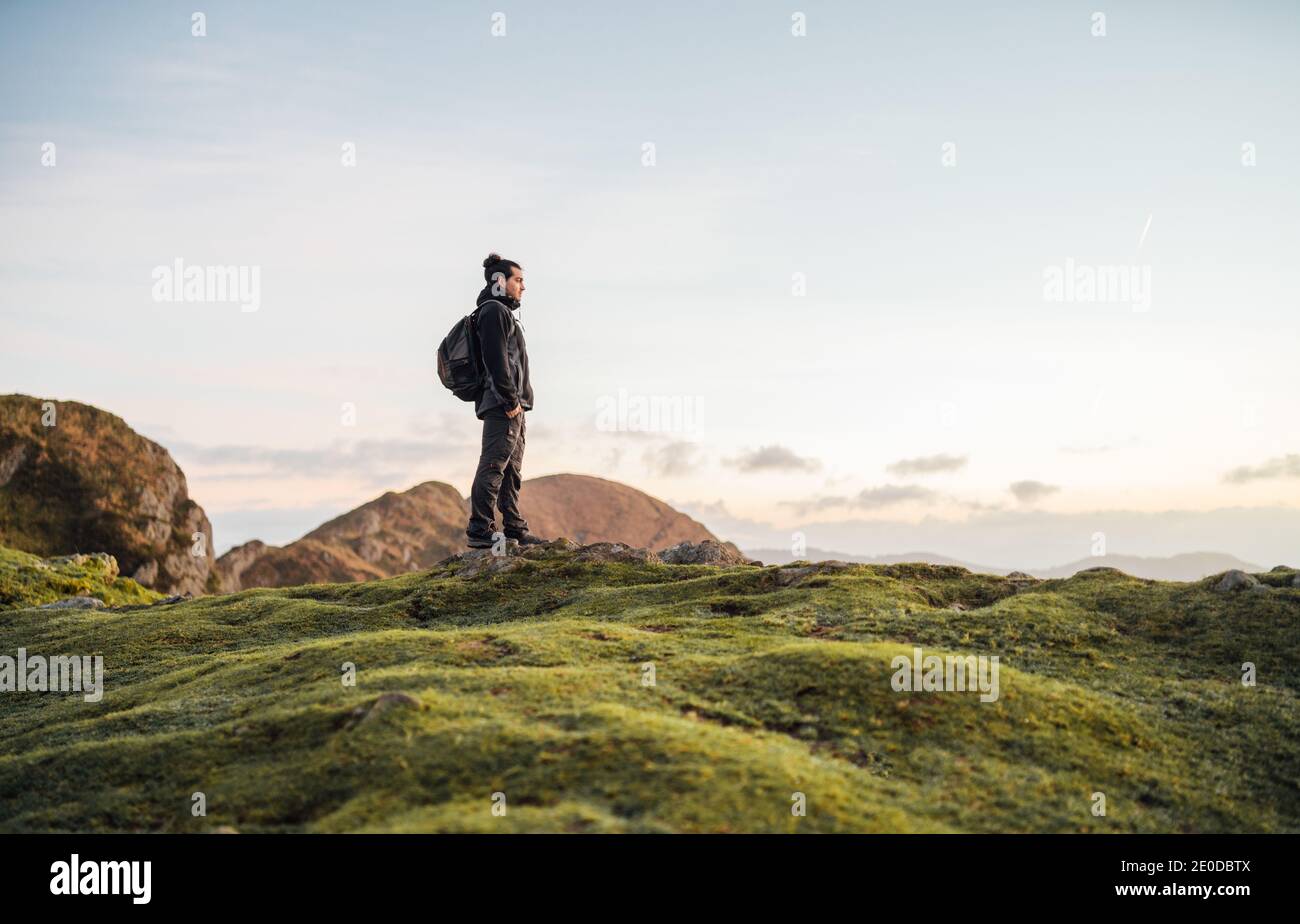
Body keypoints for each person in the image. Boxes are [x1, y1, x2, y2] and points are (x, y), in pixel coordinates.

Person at [466, 253, 545, 549]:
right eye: (519, 280)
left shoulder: (502, 313)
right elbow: (496, 360)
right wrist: (510, 399)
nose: (523, 287)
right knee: (493, 465)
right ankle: (480, 530)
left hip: (513, 405)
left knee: (512, 468)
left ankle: (513, 528)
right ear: (500, 281)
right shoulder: (493, 312)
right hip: (503, 404)